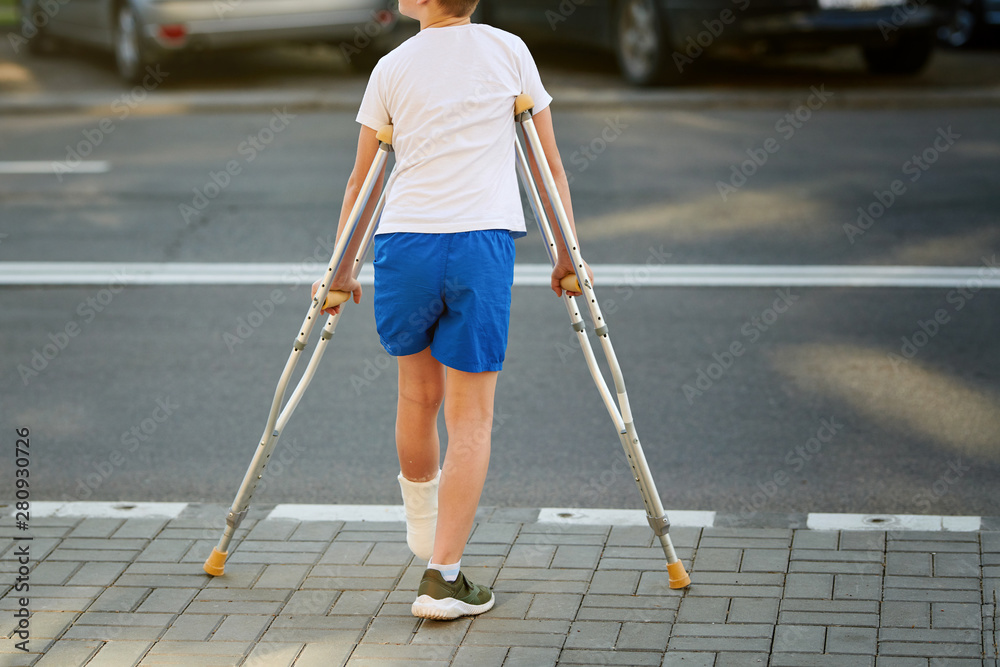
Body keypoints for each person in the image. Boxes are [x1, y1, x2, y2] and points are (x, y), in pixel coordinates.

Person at [312, 0, 591, 620]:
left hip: (402, 242)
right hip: (479, 244)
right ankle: (443, 574)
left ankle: (422, 528)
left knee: (418, 395)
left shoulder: (391, 67)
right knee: (472, 416)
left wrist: (340, 269)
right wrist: (569, 252)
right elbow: (548, 169)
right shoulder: (510, 51)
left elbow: (362, 181)